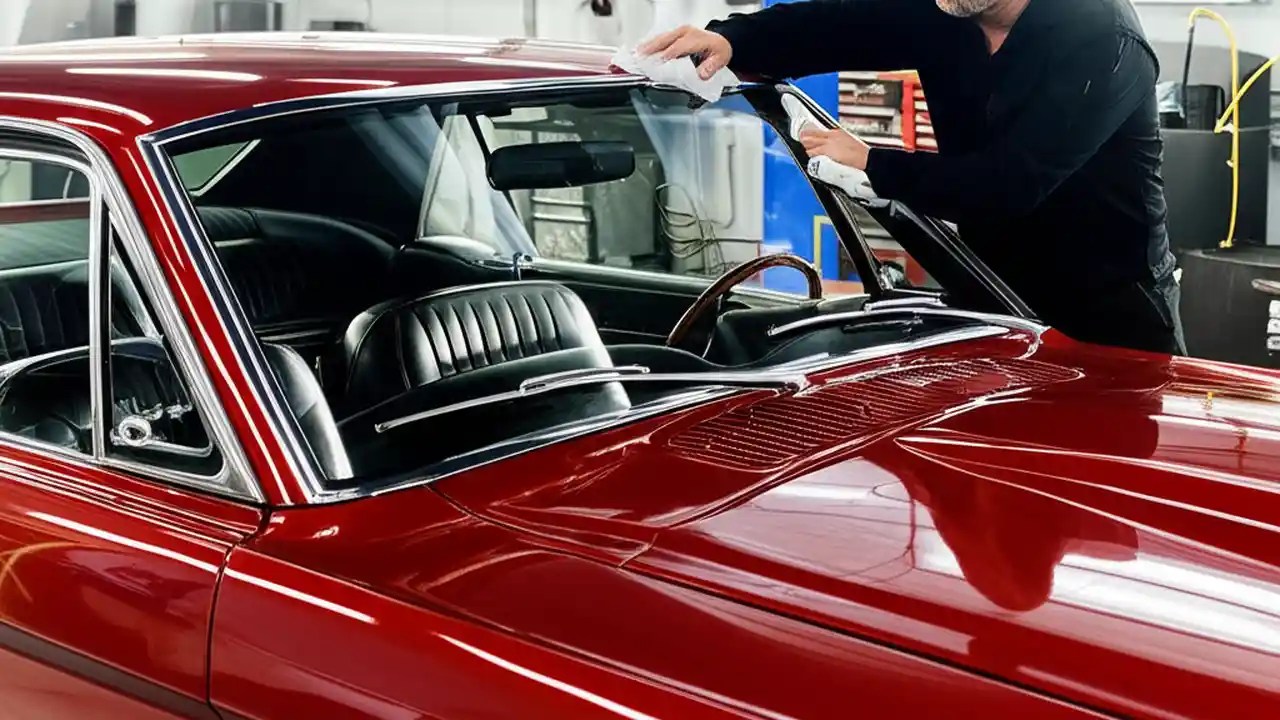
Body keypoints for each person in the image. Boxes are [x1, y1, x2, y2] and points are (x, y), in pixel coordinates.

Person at [640, 0, 1186, 355]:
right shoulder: (948, 13)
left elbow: (1014, 183)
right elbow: (844, 25)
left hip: (1110, 318)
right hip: (990, 297)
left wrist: (874, 164)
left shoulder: (1100, 35)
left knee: (1101, 510)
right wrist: (734, 40)